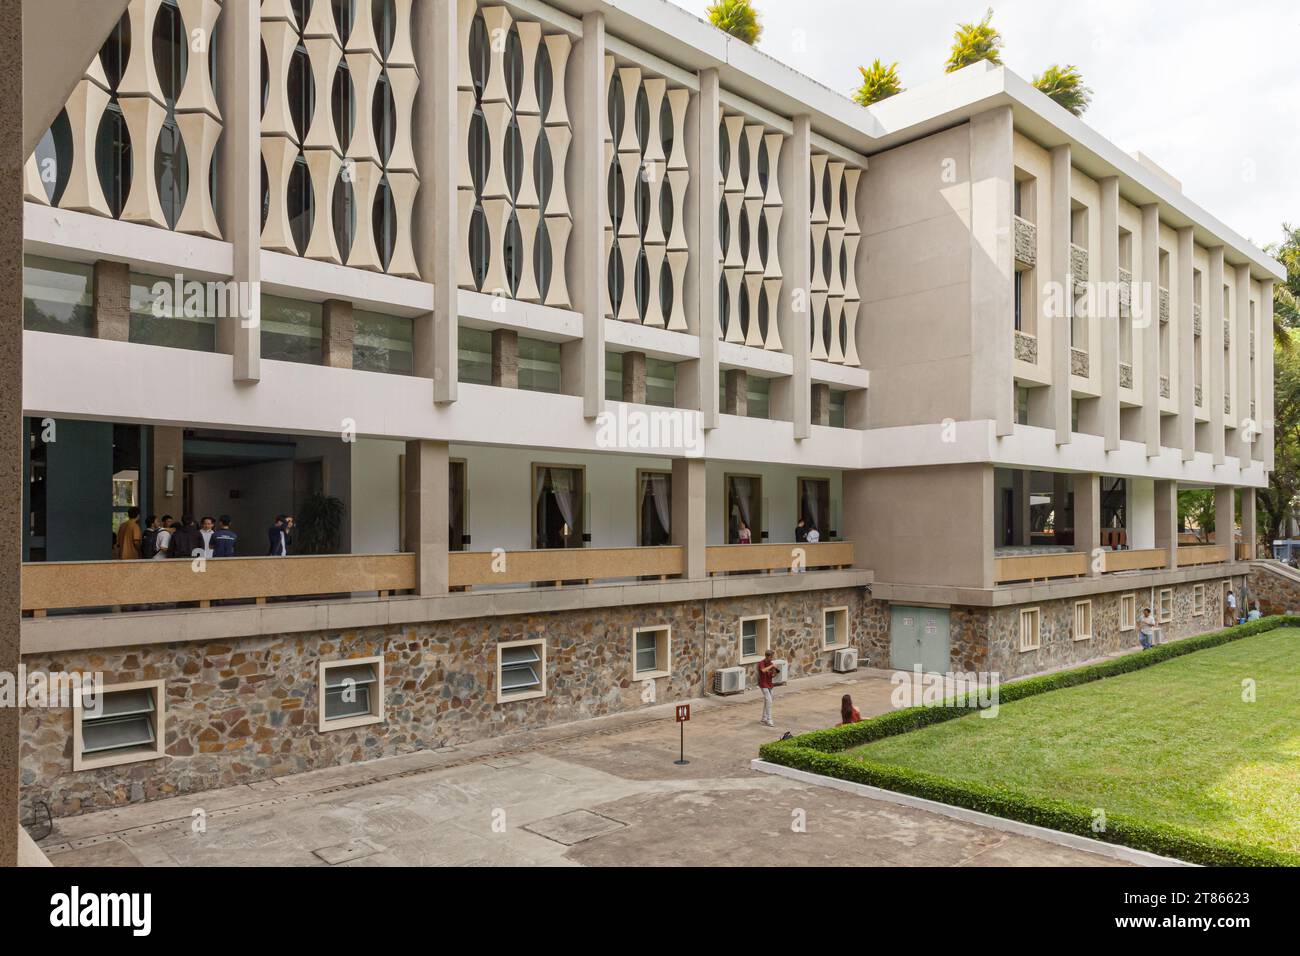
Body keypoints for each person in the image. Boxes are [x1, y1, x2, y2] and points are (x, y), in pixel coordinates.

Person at [756, 648, 778, 727]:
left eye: (772, 657)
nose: (772, 658)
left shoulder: (771, 663)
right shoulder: (761, 663)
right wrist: (772, 666)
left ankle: (763, 718)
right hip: (763, 684)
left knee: (767, 701)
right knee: (769, 701)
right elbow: (763, 670)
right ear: (767, 656)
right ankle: (769, 719)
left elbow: (772, 675)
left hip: (769, 684)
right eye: (771, 657)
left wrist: (775, 673)